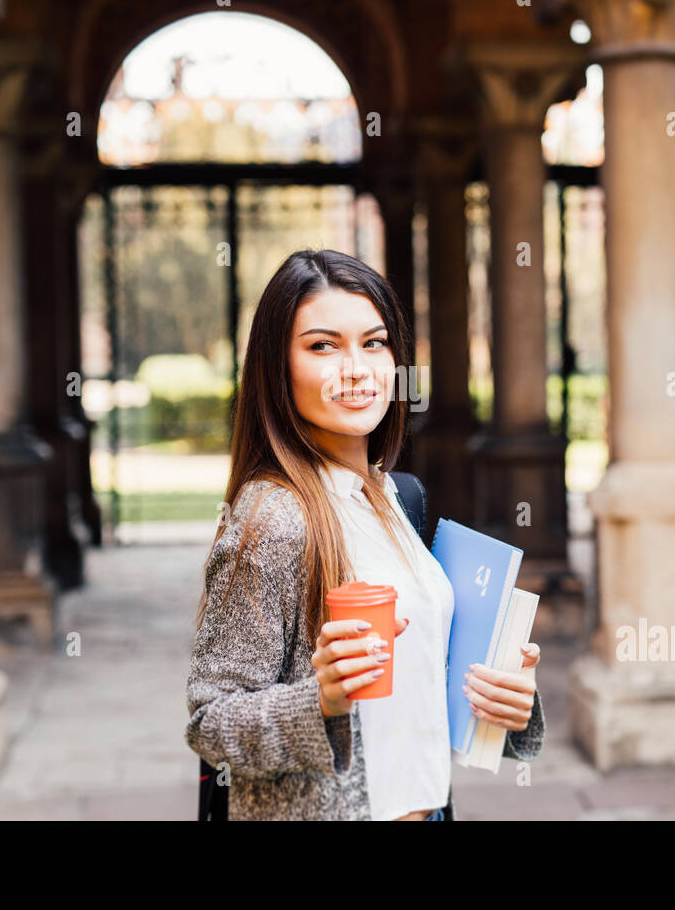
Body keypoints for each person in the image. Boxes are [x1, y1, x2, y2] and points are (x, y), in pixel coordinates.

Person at [184, 248, 544, 820]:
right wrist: (320, 699)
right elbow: (211, 722)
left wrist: (506, 698)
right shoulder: (272, 520)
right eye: (322, 346)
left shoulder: (397, 496)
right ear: (279, 368)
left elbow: (421, 676)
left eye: (373, 343)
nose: (356, 368)